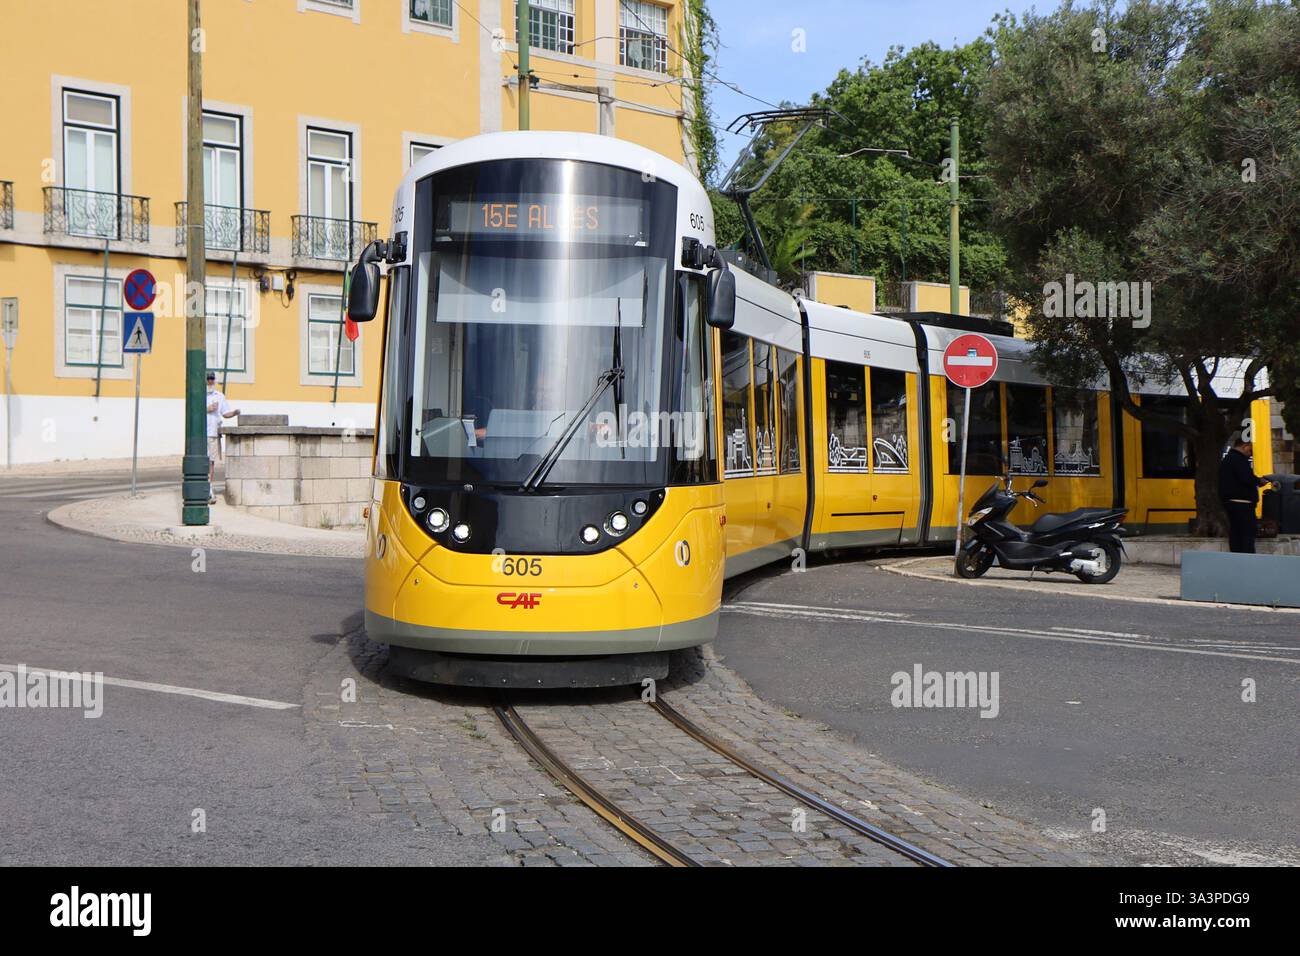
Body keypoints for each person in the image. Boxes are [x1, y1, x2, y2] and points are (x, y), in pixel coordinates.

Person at [1218, 435, 1272, 554]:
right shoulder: (1238, 459)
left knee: (1236, 532)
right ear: (1244, 446)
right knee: (1247, 533)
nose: (1251, 453)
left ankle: (1237, 557)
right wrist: (1259, 481)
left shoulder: (1228, 459)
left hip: (1232, 503)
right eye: (1250, 450)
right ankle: (1247, 558)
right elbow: (1246, 478)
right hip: (1242, 504)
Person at [206, 372, 241, 504]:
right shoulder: (200, 395)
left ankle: (209, 489)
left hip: (213, 432)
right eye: (208, 379)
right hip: (200, 433)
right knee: (202, 462)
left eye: (212, 379)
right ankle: (204, 489)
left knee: (211, 462)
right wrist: (206, 409)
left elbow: (225, 413)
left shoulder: (220, 396)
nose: (210, 381)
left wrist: (234, 413)